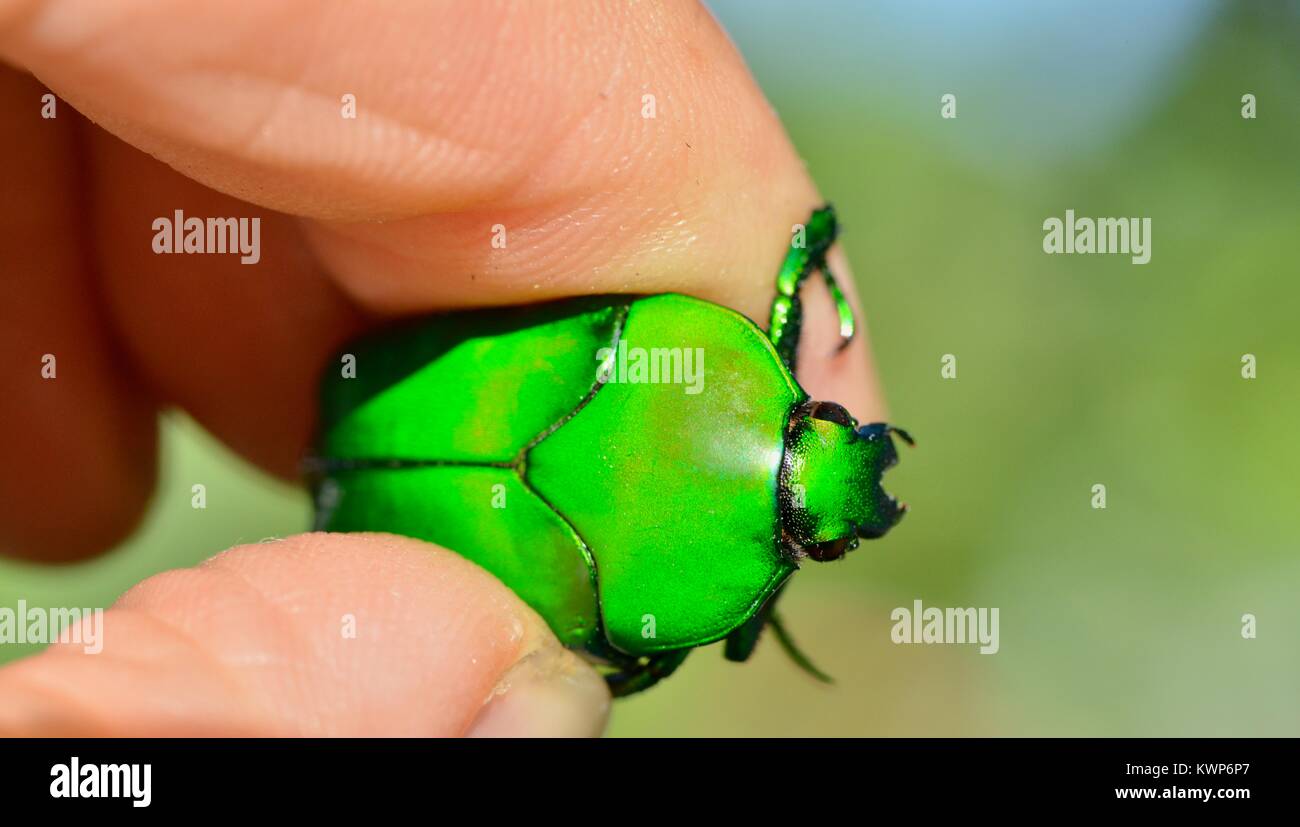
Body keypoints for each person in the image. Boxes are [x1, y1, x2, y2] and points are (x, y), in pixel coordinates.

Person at [0, 0, 884, 736]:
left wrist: (810, 248)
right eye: (828, 425)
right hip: (371, 463)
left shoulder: (689, 352)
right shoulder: (692, 592)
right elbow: (654, 658)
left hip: (376, 395)